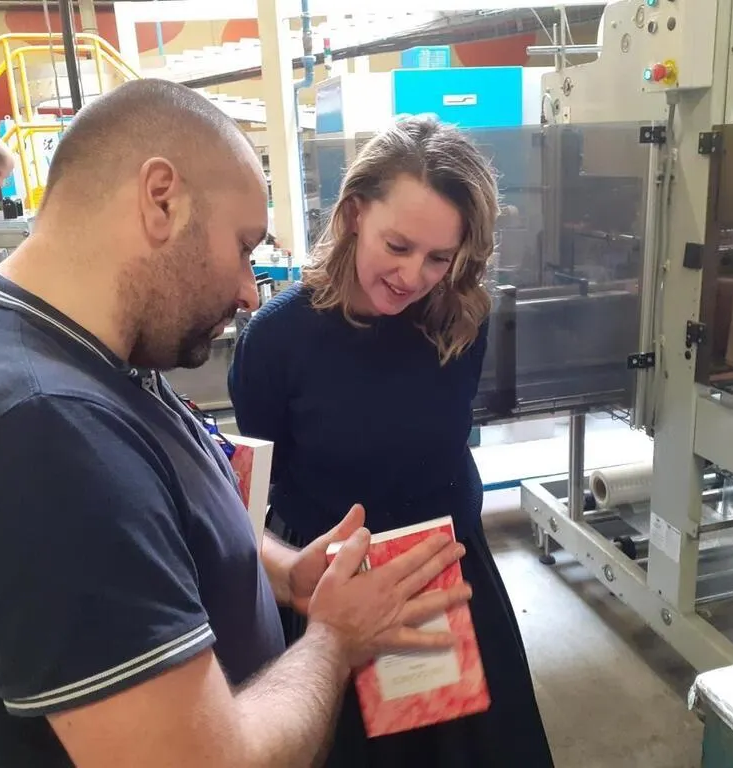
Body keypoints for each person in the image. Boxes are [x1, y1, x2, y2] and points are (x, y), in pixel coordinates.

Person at [0, 79, 472, 768]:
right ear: (162, 200)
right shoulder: (32, 436)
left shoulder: (69, 353)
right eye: (245, 247)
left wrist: (286, 576)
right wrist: (335, 639)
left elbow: (163, 533)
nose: (250, 291)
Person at [229, 116, 555, 767]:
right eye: (398, 245)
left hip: (448, 581)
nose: (415, 276)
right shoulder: (276, 338)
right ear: (354, 215)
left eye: (441, 257)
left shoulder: (460, 317)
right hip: (337, 594)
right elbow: (256, 497)